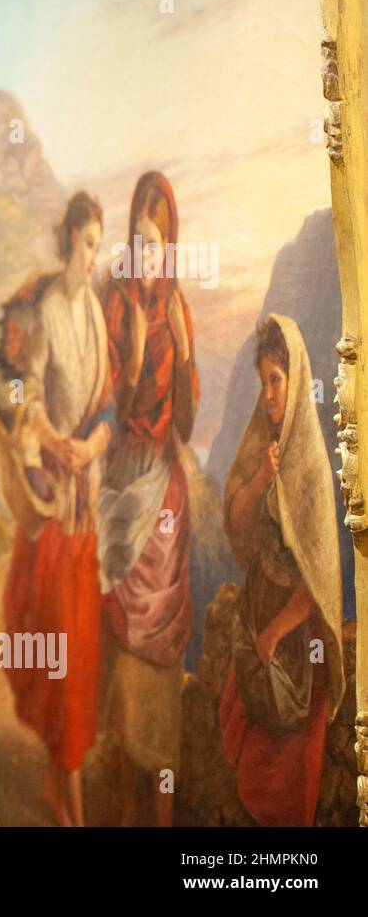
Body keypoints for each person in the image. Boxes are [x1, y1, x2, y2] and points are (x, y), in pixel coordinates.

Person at [0, 191, 112, 826]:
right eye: (86, 242)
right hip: (51, 510)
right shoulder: (44, 311)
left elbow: (108, 410)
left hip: (83, 510)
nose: (92, 256)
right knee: (56, 655)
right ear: (67, 239)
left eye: (98, 244)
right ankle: (72, 807)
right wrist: (51, 438)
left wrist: (88, 445)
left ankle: (60, 787)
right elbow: (20, 388)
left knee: (80, 659)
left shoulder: (93, 311)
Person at [94, 171, 198, 826]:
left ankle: (162, 810)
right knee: (123, 653)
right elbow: (106, 415)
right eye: (138, 237)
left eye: (155, 239)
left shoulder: (178, 306)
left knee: (161, 664)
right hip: (122, 482)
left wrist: (184, 357)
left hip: (165, 489)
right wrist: (131, 366)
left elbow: (185, 424)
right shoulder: (117, 304)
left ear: (170, 242)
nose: (146, 250)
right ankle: (129, 804)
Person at [219, 314, 344, 826]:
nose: (269, 393)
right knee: (248, 754)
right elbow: (237, 518)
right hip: (258, 610)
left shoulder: (311, 463)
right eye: (263, 381)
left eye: (277, 380)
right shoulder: (262, 448)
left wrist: (275, 631)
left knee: (290, 770)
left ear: (293, 384)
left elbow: (316, 577)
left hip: (295, 632)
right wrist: (260, 479)